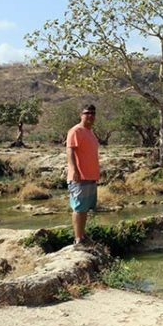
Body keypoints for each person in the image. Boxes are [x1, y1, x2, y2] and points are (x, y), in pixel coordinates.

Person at [66, 104, 100, 245]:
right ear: (81, 115)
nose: (90, 116)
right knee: (79, 207)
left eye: (93, 113)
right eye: (87, 113)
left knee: (85, 208)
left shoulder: (90, 132)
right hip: (79, 177)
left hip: (91, 176)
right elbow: (70, 150)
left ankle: (83, 236)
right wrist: (74, 170)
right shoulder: (76, 131)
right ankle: (78, 239)